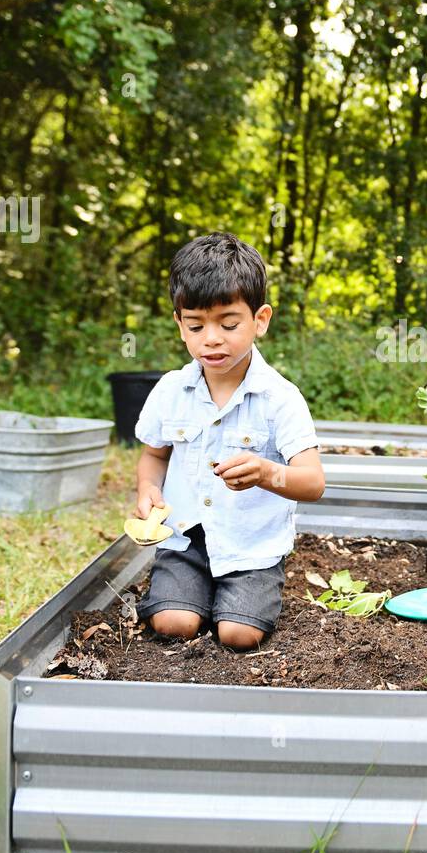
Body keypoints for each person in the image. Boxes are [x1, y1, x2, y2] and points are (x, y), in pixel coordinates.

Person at [133, 231, 324, 650]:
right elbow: (153, 454)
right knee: (173, 623)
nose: (212, 338)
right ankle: (189, 593)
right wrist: (148, 488)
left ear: (260, 320)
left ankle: (245, 598)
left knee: (238, 635)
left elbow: (313, 483)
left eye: (229, 323)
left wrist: (267, 473)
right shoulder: (170, 390)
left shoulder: (279, 398)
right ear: (180, 324)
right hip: (185, 540)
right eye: (196, 325)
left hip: (250, 546)